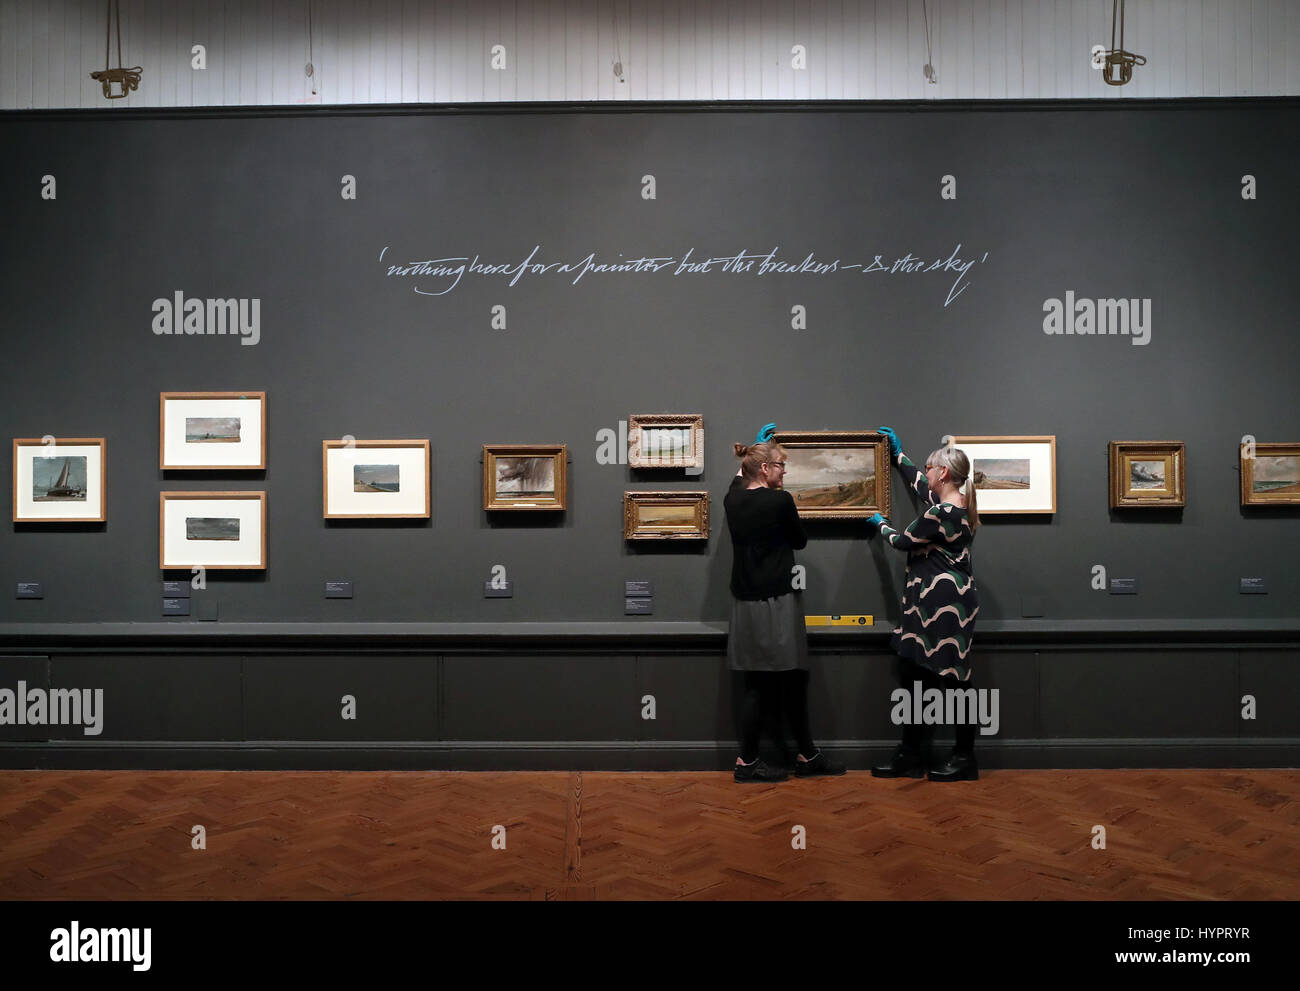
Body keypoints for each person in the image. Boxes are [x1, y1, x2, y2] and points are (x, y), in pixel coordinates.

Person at [724, 423, 846, 783]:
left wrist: (755, 450)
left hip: (744, 604)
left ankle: (796, 755)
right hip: (776, 601)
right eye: (780, 465)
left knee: (757, 683)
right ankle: (756, 760)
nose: (784, 471)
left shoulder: (732, 499)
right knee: (787, 680)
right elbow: (799, 540)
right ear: (765, 469)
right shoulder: (780, 501)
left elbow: (737, 481)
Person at [867, 427, 981, 782]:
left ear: (943, 473)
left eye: (931, 468)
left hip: (943, 605)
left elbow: (902, 541)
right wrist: (899, 456)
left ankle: (963, 758)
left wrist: (880, 524)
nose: (927, 473)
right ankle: (912, 753)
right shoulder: (955, 505)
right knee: (918, 674)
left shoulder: (942, 513)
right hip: (932, 603)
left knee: (953, 680)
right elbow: (921, 485)